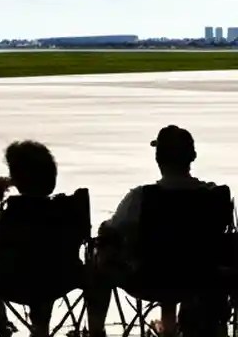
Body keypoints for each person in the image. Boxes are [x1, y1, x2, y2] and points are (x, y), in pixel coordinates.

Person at [86, 126, 220, 337]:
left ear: (158, 160)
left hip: (147, 280)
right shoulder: (212, 198)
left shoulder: (140, 198)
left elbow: (112, 229)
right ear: (192, 157)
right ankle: (172, 327)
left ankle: (95, 331)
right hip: (197, 280)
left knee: (102, 258)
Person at [0, 141, 61, 337]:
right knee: (45, 267)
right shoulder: (67, 210)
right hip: (58, 280)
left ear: (16, 180)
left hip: (11, 282)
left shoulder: (12, 214)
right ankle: (42, 327)